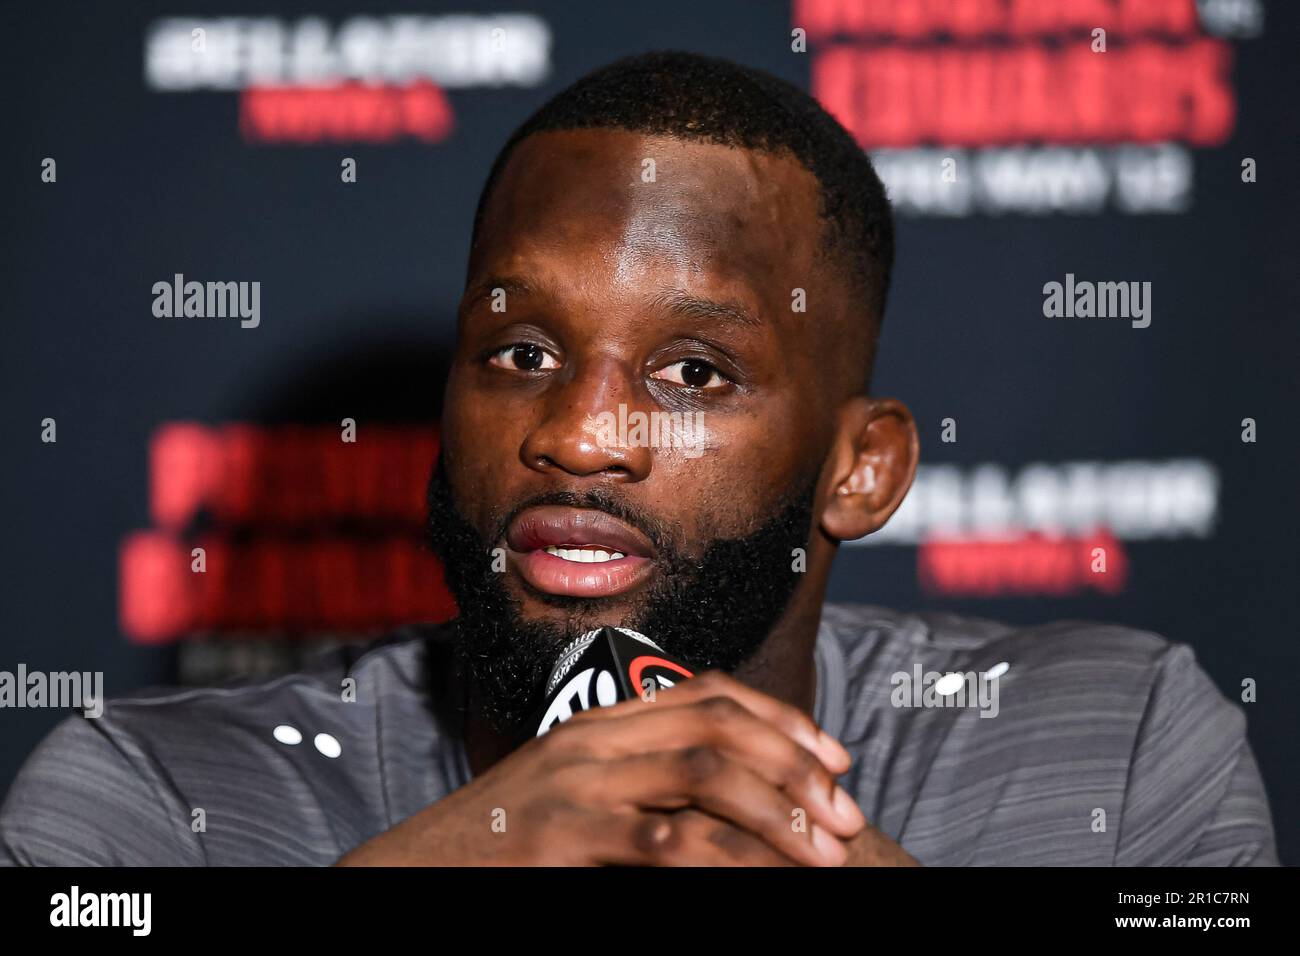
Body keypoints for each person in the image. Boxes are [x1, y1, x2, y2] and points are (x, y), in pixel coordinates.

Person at [0, 51, 1277, 867]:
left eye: (693, 374)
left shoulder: (1113, 743)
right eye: (518, 352)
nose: (579, 434)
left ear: (861, 468)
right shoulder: (157, 800)